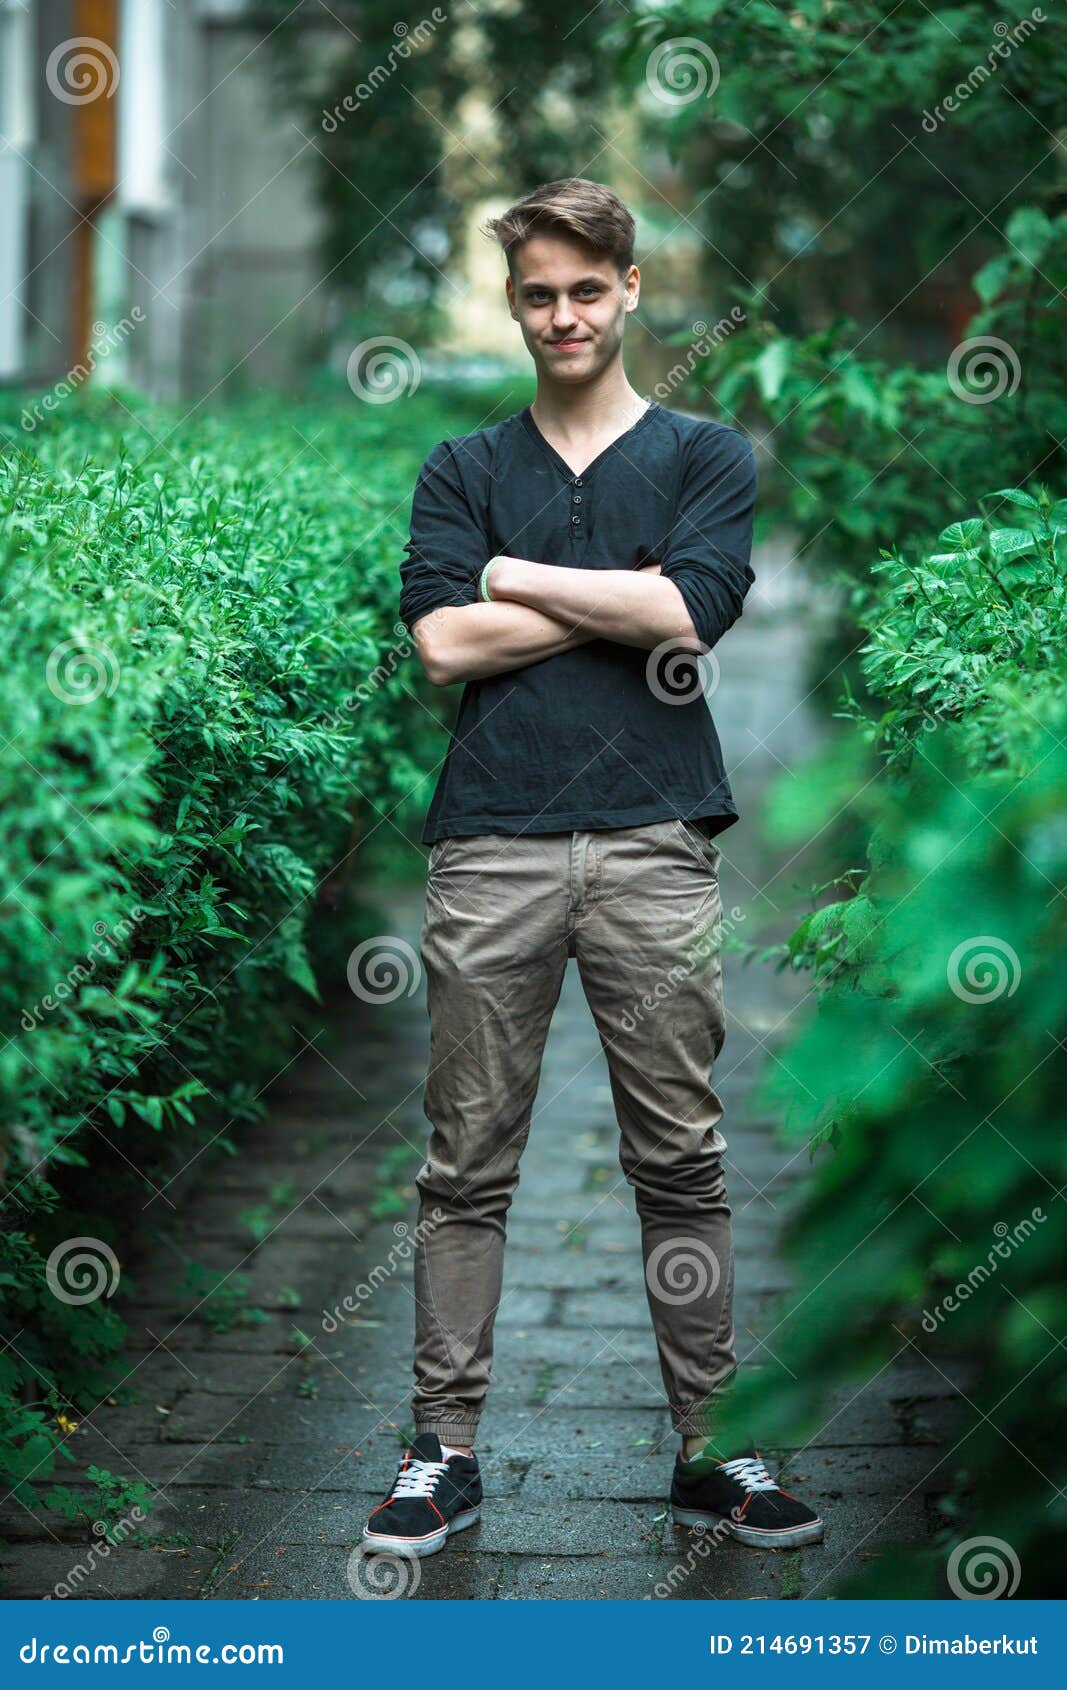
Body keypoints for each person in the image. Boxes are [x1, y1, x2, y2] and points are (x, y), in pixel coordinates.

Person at [362, 178, 823, 1561]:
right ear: (516, 305)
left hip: (656, 837)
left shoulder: (704, 456)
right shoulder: (462, 463)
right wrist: (609, 593)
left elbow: (691, 610)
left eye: (585, 288)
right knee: (467, 1162)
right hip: (491, 841)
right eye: (538, 293)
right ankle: (441, 1450)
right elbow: (441, 649)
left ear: (629, 290)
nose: (562, 314)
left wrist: (511, 578)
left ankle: (713, 1444)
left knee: (680, 1155)